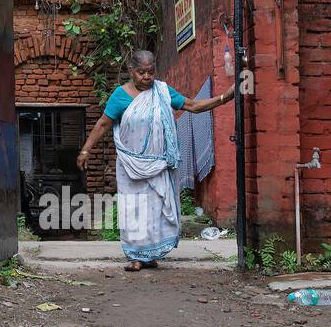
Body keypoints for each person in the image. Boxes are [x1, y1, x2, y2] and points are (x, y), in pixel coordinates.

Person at [75, 50, 234, 272]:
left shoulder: (162, 91)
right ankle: (135, 256)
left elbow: (192, 106)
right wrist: (85, 151)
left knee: (156, 209)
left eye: (150, 72)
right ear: (131, 70)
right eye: (141, 72)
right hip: (131, 165)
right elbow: (103, 123)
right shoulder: (120, 96)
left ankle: (150, 254)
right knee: (134, 209)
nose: (146, 77)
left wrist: (225, 97)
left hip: (159, 164)